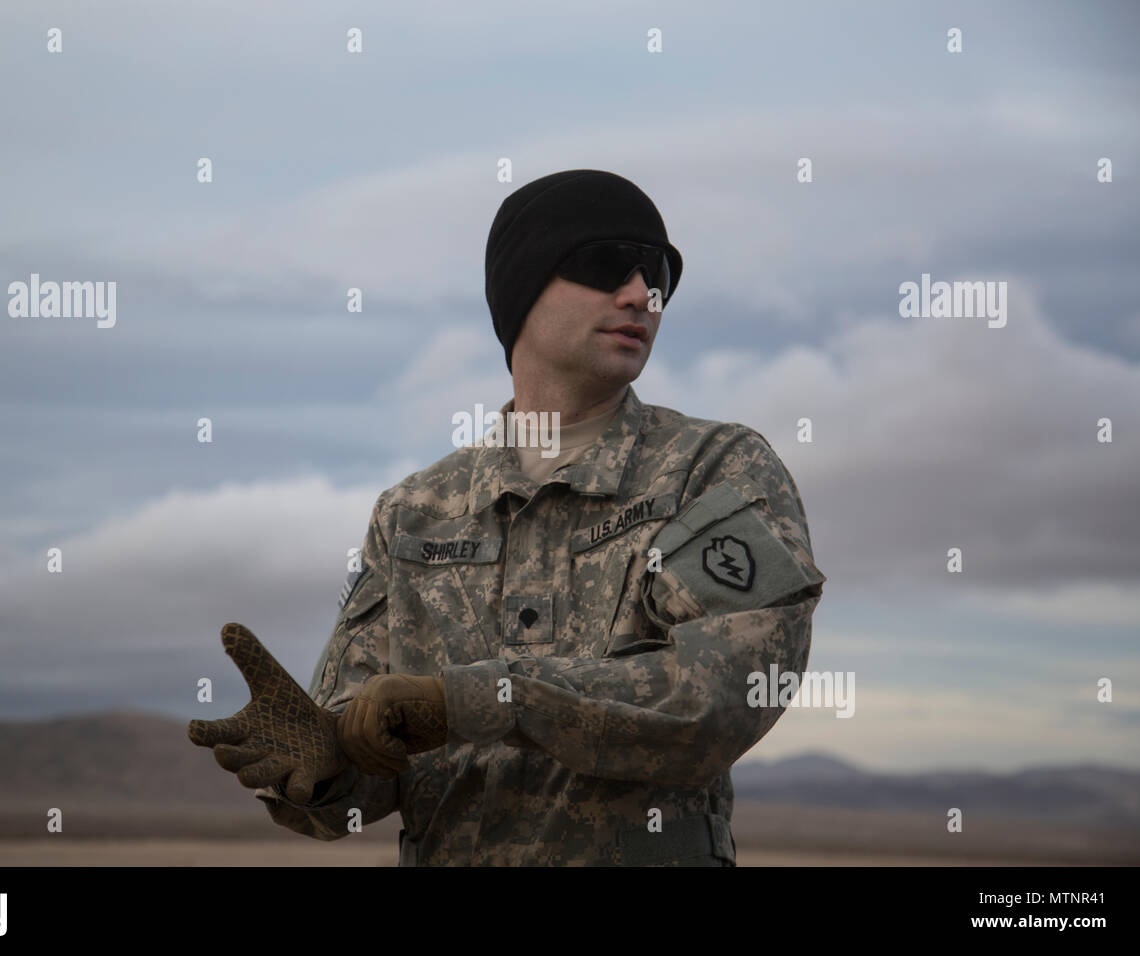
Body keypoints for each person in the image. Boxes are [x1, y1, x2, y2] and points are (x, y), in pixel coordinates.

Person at [189, 169, 826, 866]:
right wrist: (324, 765)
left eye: (659, 275)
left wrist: (476, 699)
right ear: (522, 285)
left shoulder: (711, 469)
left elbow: (720, 697)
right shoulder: (414, 514)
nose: (642, 293)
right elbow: (363, 763)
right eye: (607, 263)